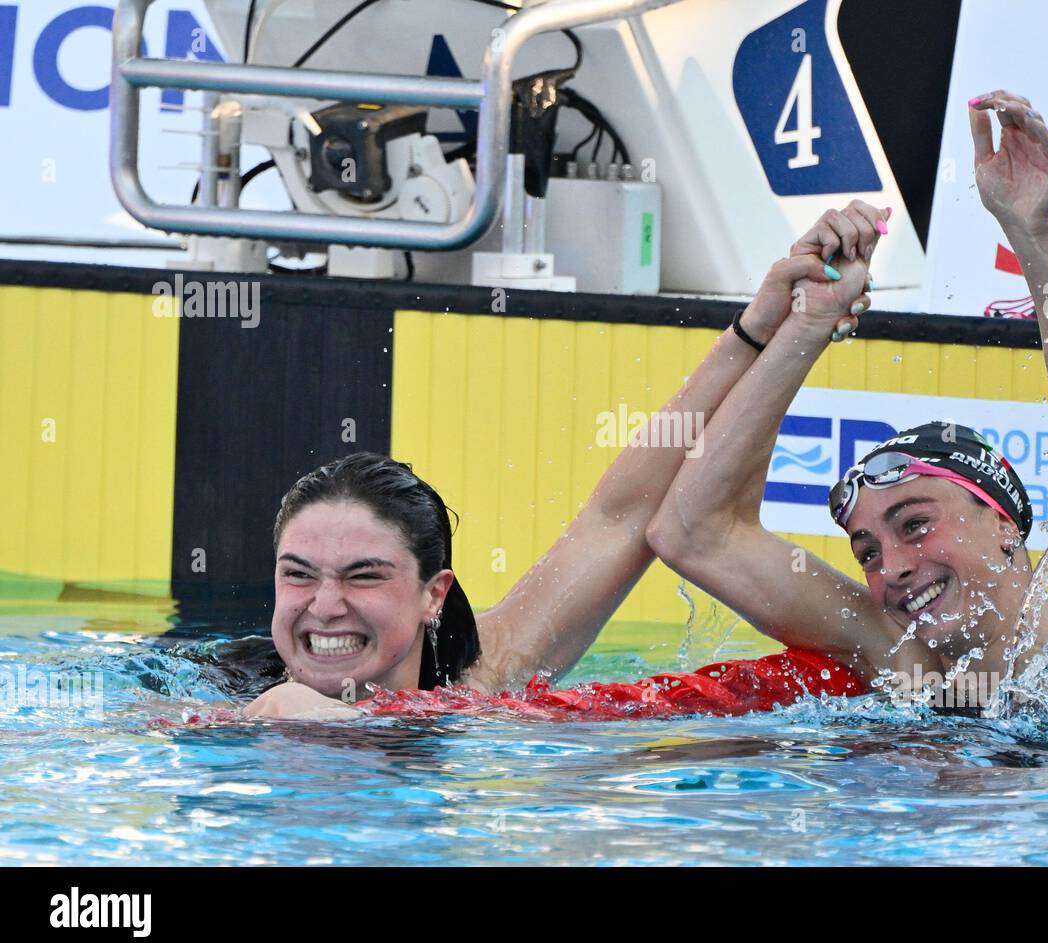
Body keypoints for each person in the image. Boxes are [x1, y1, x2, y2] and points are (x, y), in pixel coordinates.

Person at [646, 90, 1048, 709]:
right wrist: (806, 328)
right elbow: (692, 532)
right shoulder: (905, 660)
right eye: (868, 553)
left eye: (915, 524)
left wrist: (1032, 230)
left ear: (1005, 525)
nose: (894, 569)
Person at [242, 207, 877, 720]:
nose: (324, 606)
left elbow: (619, 519)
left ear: (435, 594)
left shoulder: (485, 678)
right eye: (298, 575)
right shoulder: (241, 704)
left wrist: (762, 325)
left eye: (362, 576)